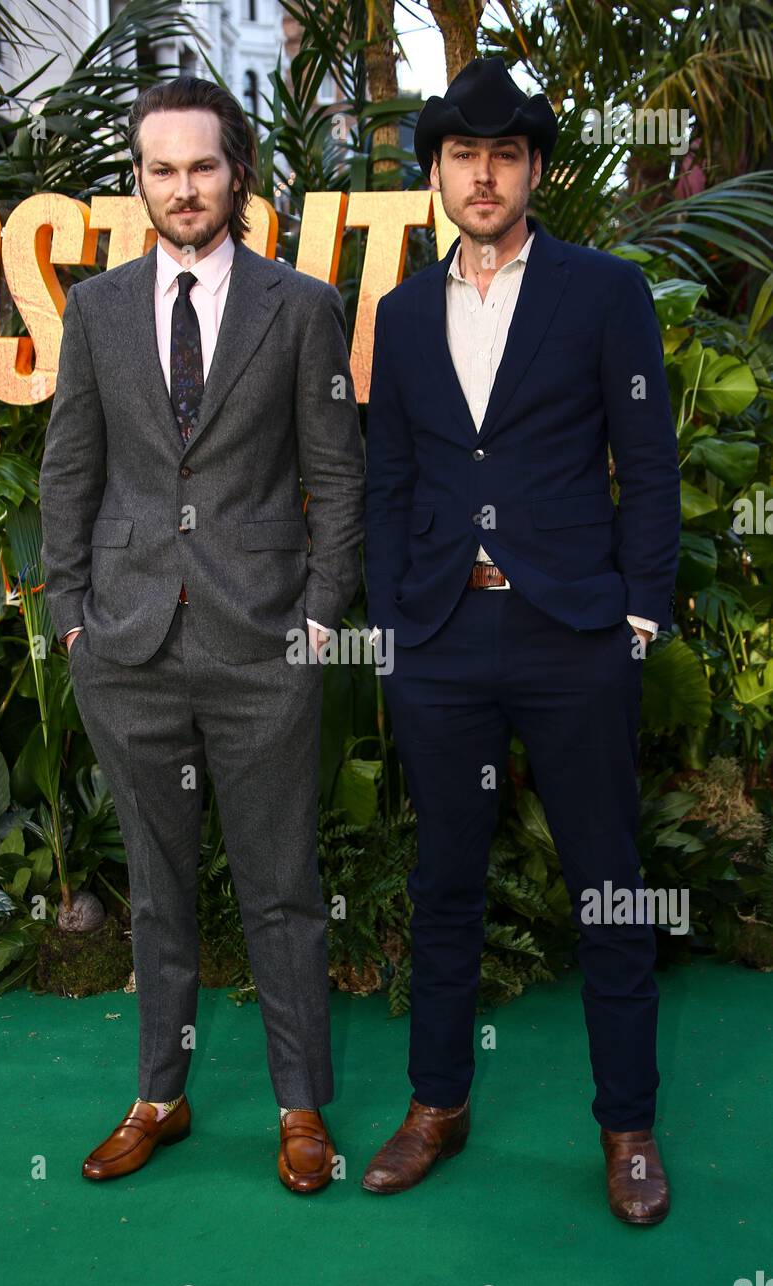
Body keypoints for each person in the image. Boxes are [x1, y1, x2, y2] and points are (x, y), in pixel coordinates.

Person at [362, 56, 680, 1222]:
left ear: (534, 168)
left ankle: (627, 1129)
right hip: (442, 634)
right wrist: (392, 620)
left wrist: (637, 609)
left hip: (572, 631)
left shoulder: (603, 293)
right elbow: (387, 477)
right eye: (459, 155)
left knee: (607, 887)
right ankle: (433, 1107)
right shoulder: (397, 314)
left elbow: (646, 469)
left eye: (501, 154)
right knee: (443, 881)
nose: (481, 174)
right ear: (436, 171)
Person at [39, 75, 364, 1192]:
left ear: (238, 173)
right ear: (139, 179)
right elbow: (69, 471)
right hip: (124, 648)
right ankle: (159, 1095)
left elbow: (337, 475)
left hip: (262, 643)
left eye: (203, 166)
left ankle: (300, 1108)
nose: (184, 188)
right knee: (157, 885)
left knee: (280, 886)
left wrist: (319, 620)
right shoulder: (96, 310)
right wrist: (70, 616)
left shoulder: (301, 306)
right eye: (161, 169)